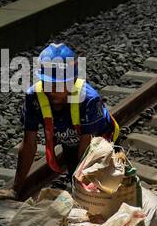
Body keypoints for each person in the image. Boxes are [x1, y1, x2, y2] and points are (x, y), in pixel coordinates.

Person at [11, 43, 118, 195]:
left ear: (72, 81)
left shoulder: (88, 100)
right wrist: (15, 189)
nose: (52, 90)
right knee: (75, 173)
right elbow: (29, 143)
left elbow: (87, 146)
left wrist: (81, 187)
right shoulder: (33, 97)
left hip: (99, 144)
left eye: (59, 85)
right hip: (71, 142)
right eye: (48, 83)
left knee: (99, 189)